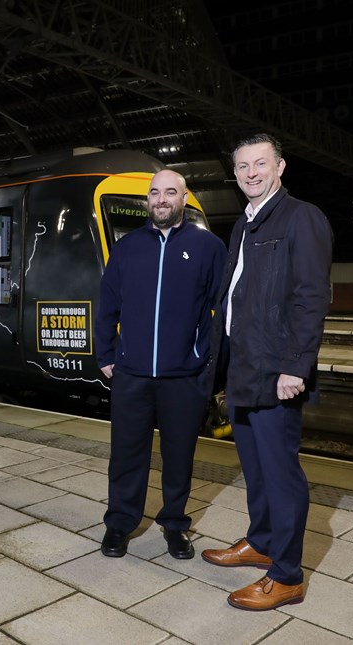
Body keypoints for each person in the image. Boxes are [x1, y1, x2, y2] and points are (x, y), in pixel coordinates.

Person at [200, 134, 333, 611]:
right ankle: (261, 542)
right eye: (242, 166)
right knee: (255, 470)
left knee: (281, 474)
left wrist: (296, 366)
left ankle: (287, 575)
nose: (251, 173)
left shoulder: (301, 218)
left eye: (260, 163)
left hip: (277, 372)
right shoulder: (243, 224)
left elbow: (311, 298)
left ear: (280, 167)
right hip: (242, 368)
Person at [94, 170, 226, 559]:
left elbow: (223, 309)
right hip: (131, 375)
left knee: (179, 456)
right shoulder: (127, 247)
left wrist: (207, 360)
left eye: (170, 192)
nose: (162, 199)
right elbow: (107, 303)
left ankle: (175, 525)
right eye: (155, 193)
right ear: (148, 200)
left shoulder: (208, 247)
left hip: (184, 377)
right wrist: (106, 355)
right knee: (126, 454)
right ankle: (120, 524)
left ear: (184, 198)